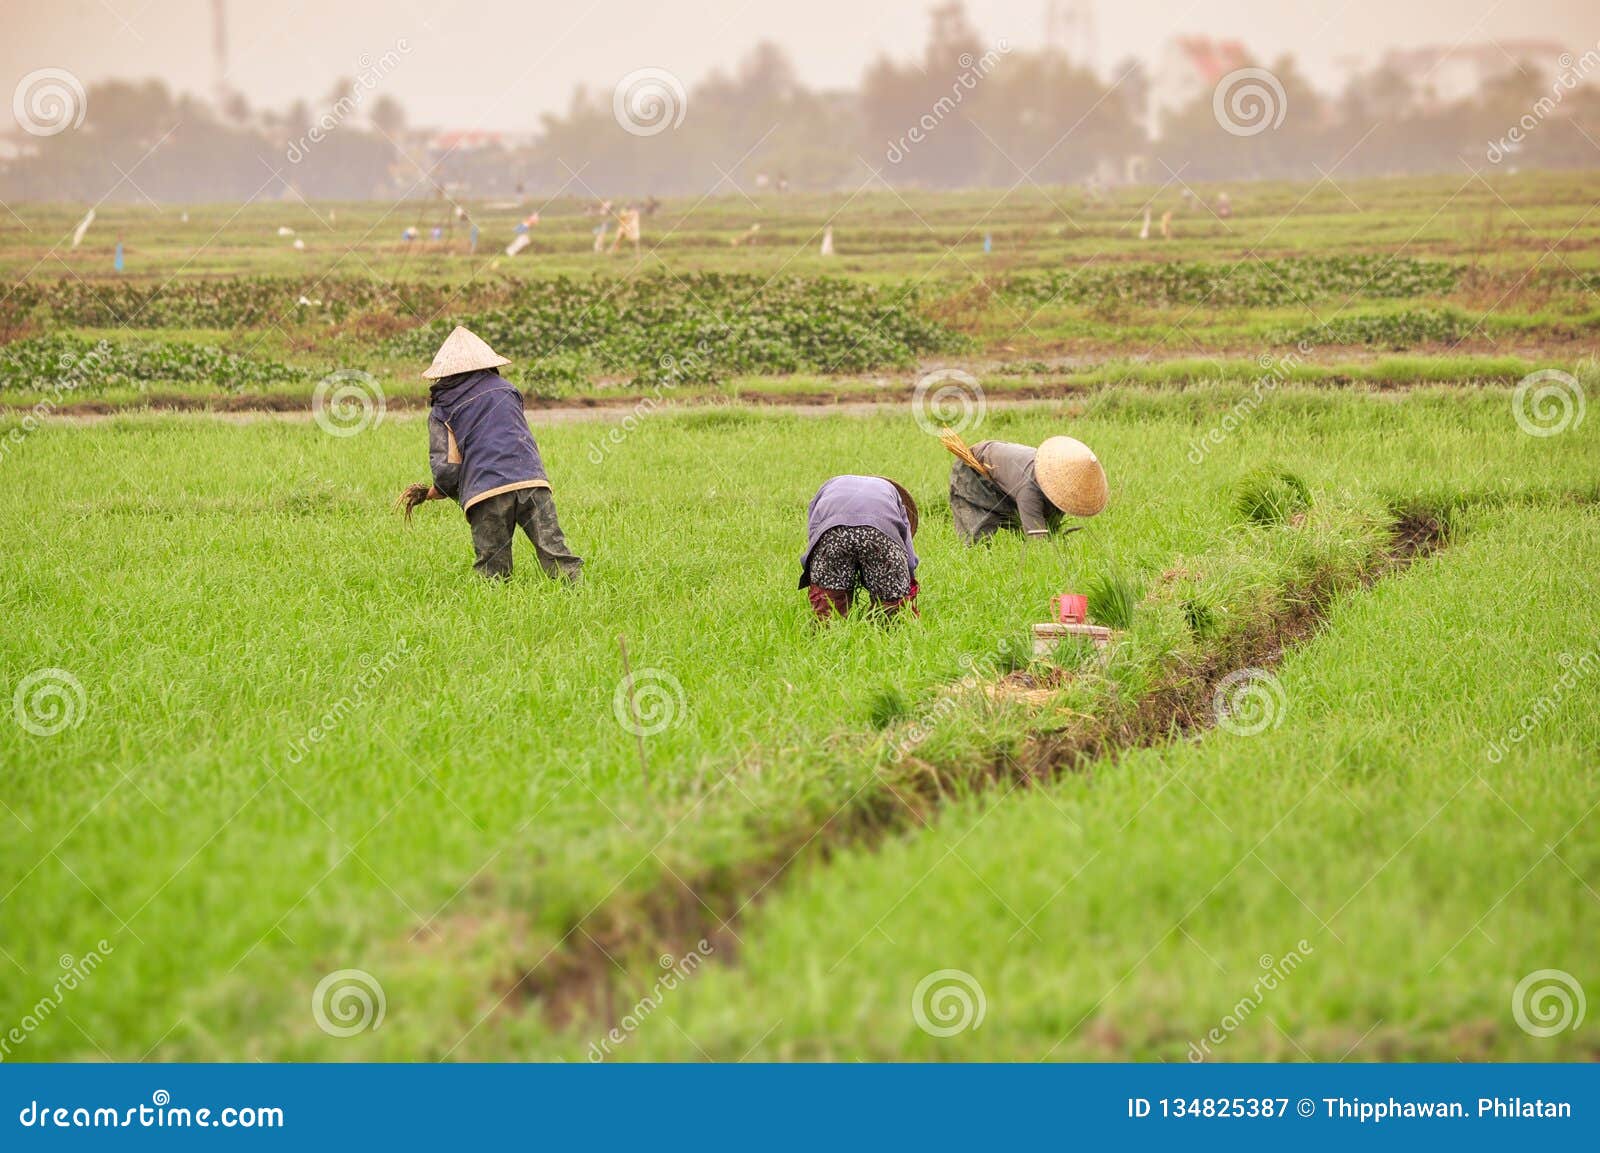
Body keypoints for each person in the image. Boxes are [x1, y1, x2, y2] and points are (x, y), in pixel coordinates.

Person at [397, 326, 583, 582]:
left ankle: (497, 610)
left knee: (493, 570)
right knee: (556, 554)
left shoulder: (443, 408)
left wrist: (433, 492)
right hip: (532, 482)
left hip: (487, 492)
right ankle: (578, 595)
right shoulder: (508, 390)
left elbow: (448, 470)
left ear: (443, 375)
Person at [947, 436, 1107, 545]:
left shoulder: (1053, 471)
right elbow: (1037, 539)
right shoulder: (1030, 490)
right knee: (977, 541)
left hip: (1006, 472)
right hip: (975, 470)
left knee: (1048, 525)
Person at [799, 476, 920, 620]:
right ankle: (885, 638)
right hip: (880, 535)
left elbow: (814, 536)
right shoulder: (892, 493)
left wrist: (813, 570)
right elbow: (907, 552)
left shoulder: (830, 486)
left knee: (829, 607)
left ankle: (827, 637)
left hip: (833, 534)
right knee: (891, 607)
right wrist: (906, 579)